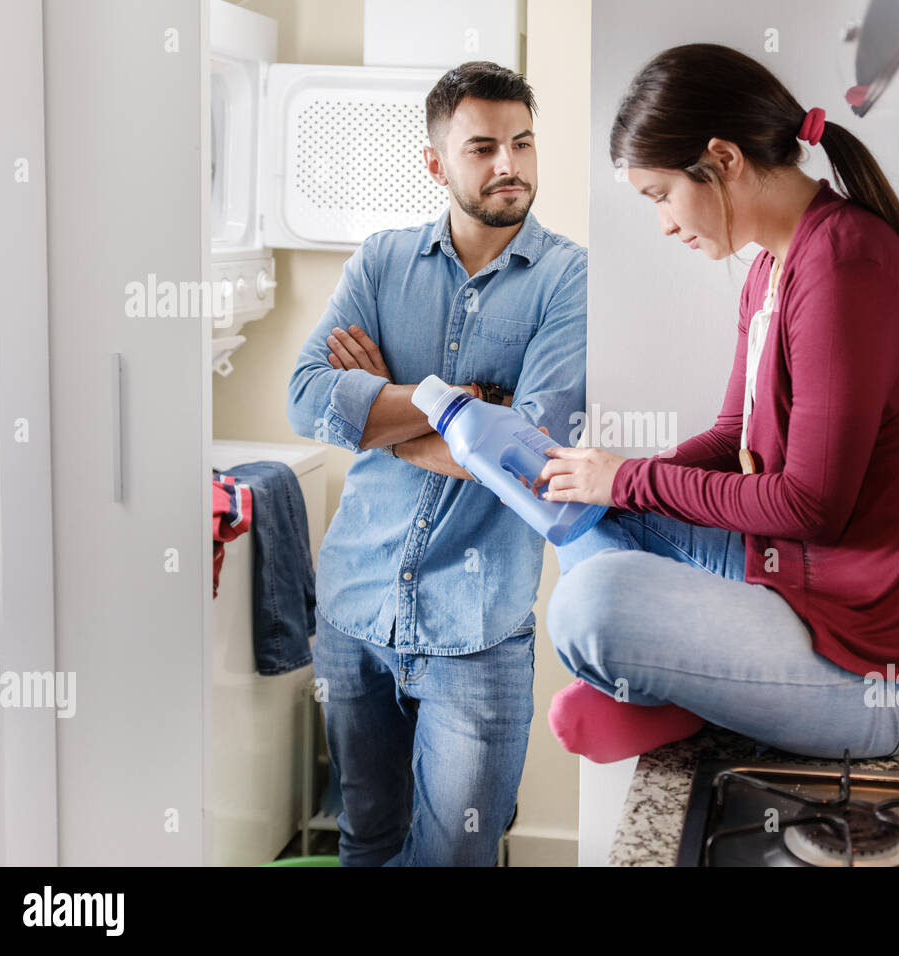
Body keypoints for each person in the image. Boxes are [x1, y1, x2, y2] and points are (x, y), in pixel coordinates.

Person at [531, 43, 899, 764]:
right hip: (810, 585)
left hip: (896, 677)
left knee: (589, 605)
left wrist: (627, 478)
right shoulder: (773, 268)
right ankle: (689, 697)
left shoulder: (846, 266)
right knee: (588, 525)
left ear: (723, 159)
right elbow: (732, 436)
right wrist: (608, 482)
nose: (661, 222)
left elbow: (813, 506)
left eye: (660, 194)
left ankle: (680, 698)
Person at [286, 61, 587, 865]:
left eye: (522, 143)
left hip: (478, 631)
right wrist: (462, 406)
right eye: (483, 147)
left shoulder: (570, 279)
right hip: (354, 612)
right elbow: (306, 396)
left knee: (454, 856)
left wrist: (378, 405)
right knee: (366, 841)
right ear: (436, 164)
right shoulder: (381, 261)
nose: (508, 166)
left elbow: (535, 459)